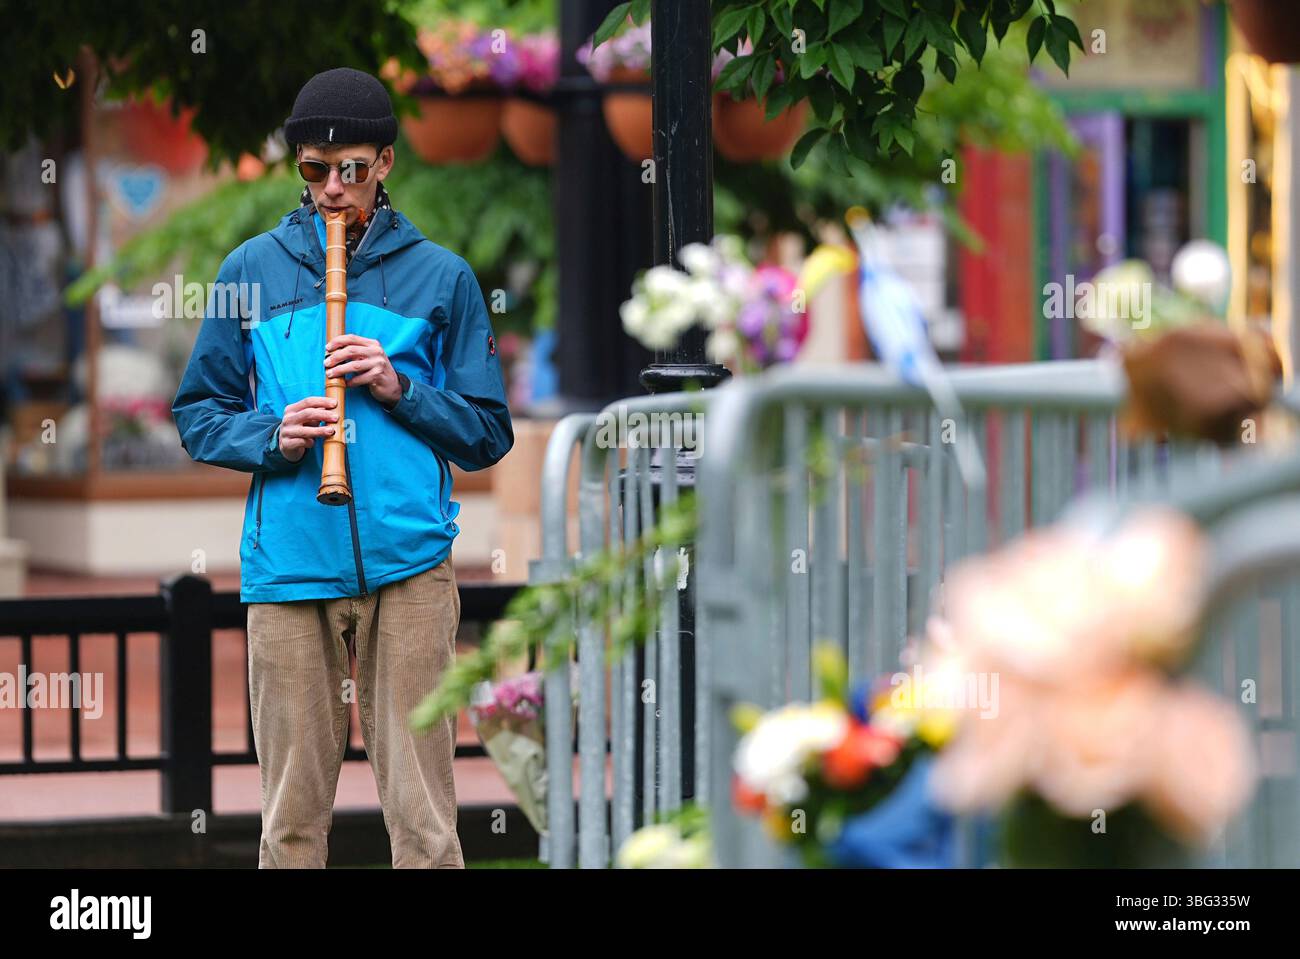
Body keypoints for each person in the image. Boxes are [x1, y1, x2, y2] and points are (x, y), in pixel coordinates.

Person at [172, 67, 513, 868]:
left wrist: (402, 389)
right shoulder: (248, 271)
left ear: (386, 162)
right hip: (290, 564)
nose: (331, 189)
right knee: (290, 821)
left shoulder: (444, 277)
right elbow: (197, 414)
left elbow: (487, 432)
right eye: (313, 171)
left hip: (410, 563)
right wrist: (275, 433)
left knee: (425, 821)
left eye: (350, 169)